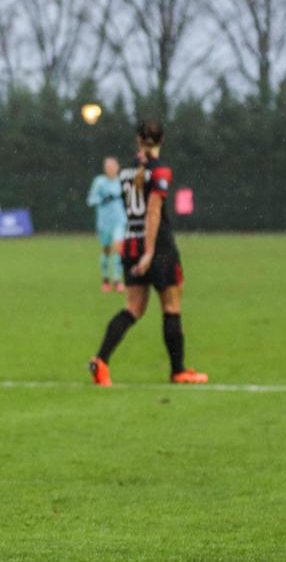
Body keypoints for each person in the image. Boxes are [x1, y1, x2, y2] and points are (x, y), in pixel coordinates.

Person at [88, 121, 207, 387]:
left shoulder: (127, 171)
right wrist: (150, 251)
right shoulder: (159, 170)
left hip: (130, 241)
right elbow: (153, 210)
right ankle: (178, 371)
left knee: (133, 309)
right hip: (156, 245)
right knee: (171, 306)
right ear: (161, 139)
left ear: (138, 140)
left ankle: (101, 360)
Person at [87, 157, 126, 292]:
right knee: (106, 250)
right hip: (104, 223)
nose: (110, 169)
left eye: (112, 166)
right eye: (107, 167)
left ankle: (117, 280)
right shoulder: (99, 182)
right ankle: (105, 280)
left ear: (117, 167)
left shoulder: (122, 181)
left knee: (118, 247)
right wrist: (103, 199)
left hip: (119, 221)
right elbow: (91, 200)